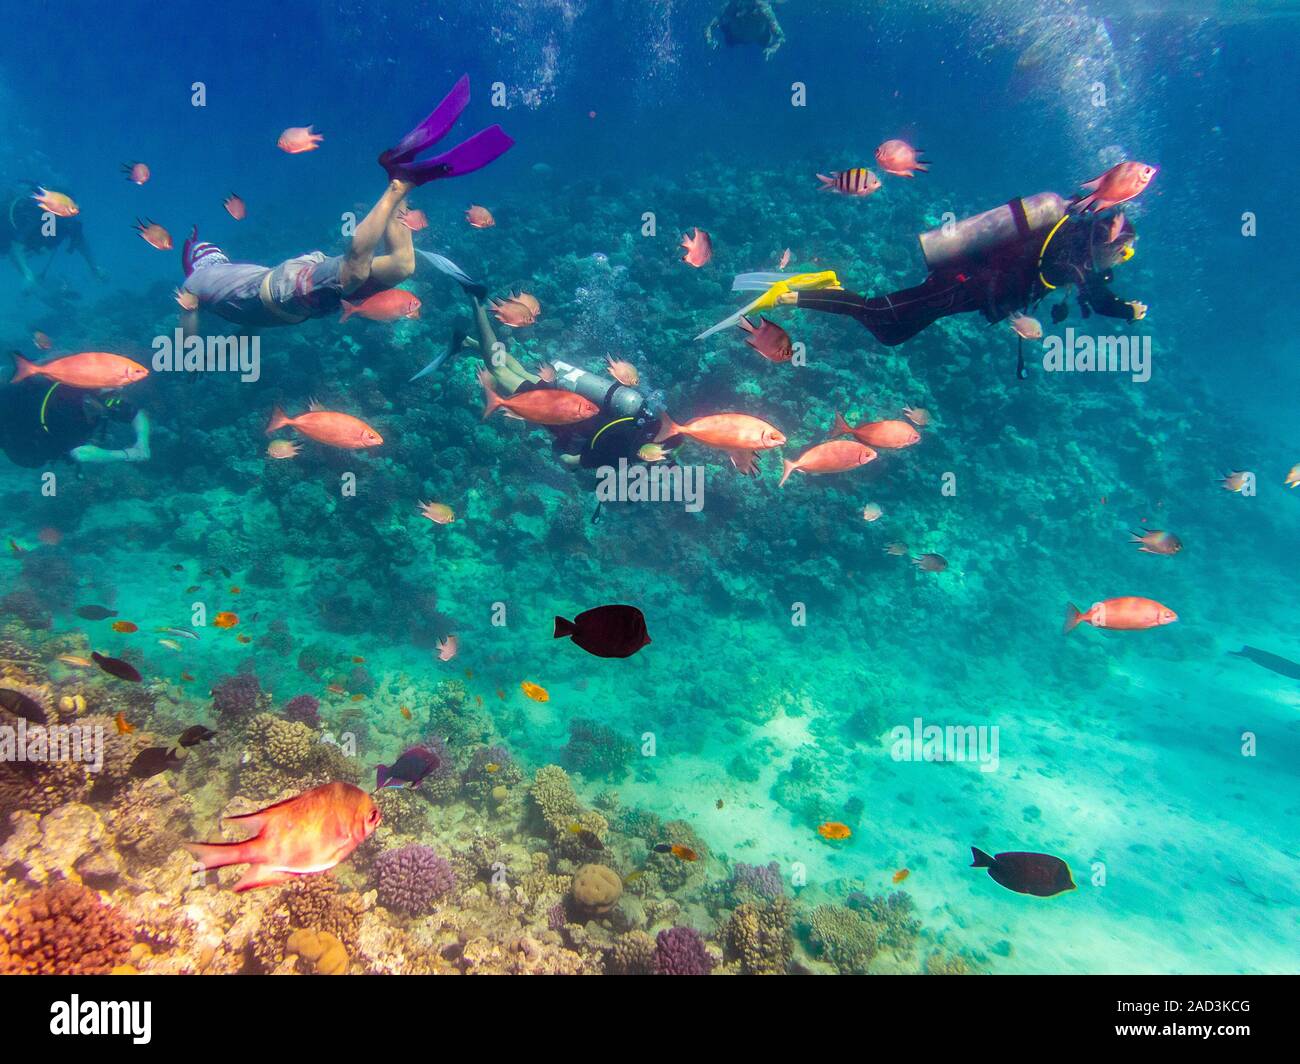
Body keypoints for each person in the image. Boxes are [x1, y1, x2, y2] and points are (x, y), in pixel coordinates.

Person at [177, 76, 512, 334]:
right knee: (402, 266)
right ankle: (403, 180)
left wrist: (191, 361)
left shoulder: (194, 284)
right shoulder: (220, 275)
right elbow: (243, 311)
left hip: (284, 292)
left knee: (353, 269)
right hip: (292, 286)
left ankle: (398, 185)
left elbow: (189, 328)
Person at [773, 198, 1147, 347]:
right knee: (876, 311)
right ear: (1111, 242)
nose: (1120, 260)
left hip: (970, 293)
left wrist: (1118, 300)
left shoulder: (1079, 250)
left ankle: (831, 288)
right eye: (1123, 252)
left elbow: (1093, 288)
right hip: (965, 282)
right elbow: (1094, 296)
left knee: (893, 335)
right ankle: (796, 294)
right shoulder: (1074, 244)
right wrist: (1126, 310)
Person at [0, 377, 150, 468]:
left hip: (19, 405)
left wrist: (142, 442)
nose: (112, 402)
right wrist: (126, 455)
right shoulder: (66, 411)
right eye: (107, 396)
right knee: (31, 460)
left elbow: (136, 413)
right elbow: (81, 454)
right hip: (18, 431)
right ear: (88, 399)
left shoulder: (103, 399)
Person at [0, 184, 105, 288]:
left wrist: (95, 267)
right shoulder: (34, 216)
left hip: (32, 244)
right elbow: (15, 247)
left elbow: (81, 243)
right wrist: (28, 275)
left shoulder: (69, 222)